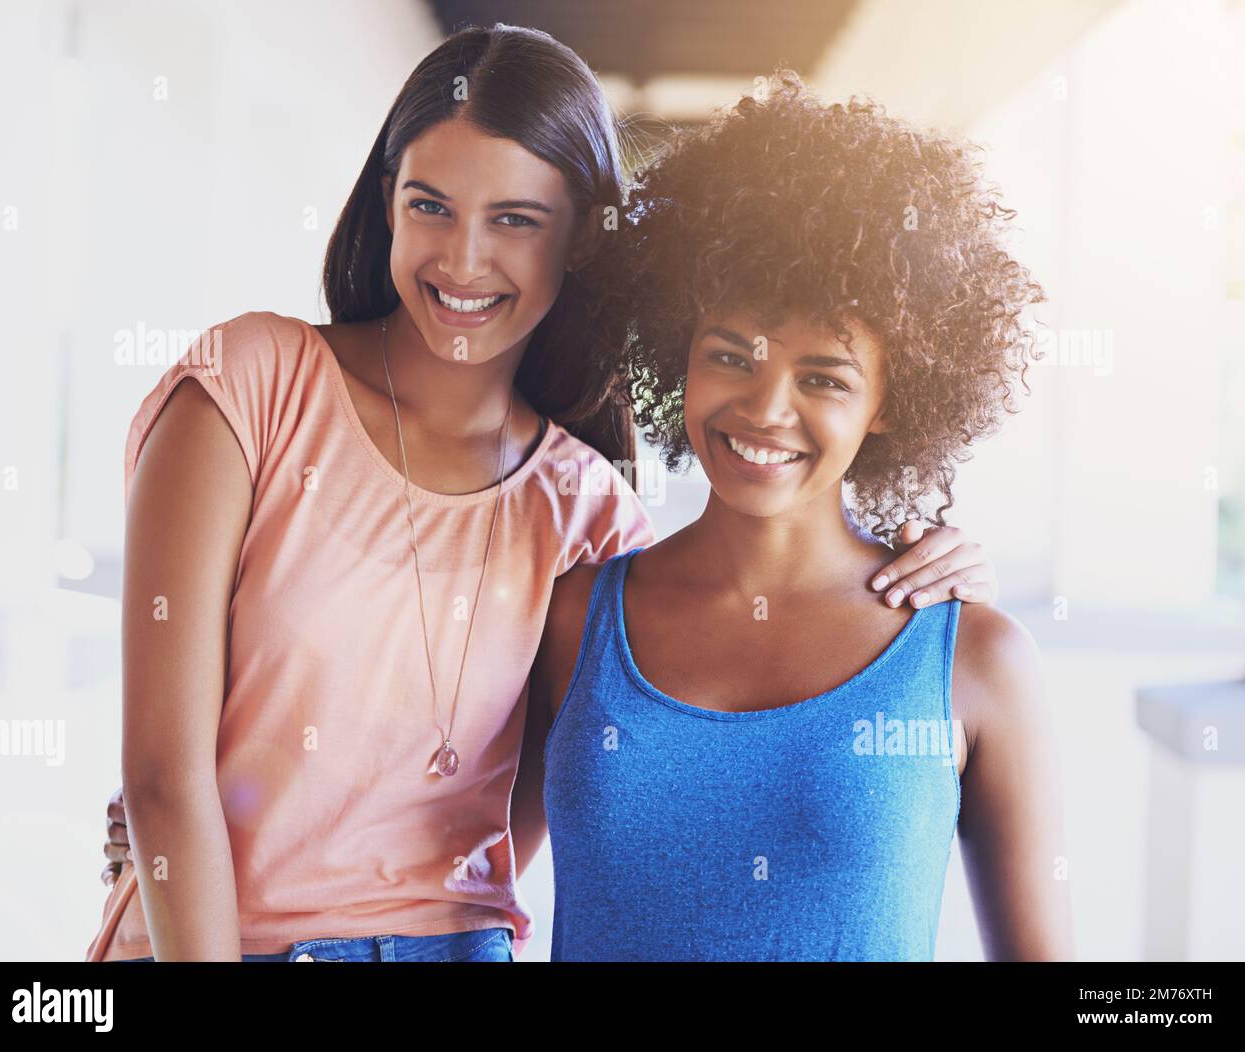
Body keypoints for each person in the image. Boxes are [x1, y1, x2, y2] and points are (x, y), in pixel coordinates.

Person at [91, 31, 1001, 963]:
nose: (464, 260)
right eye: (430, 206)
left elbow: (535, 820)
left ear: (582, 242)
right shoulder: (252, 387)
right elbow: (162, 779)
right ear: (386, 206)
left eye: (516, 220)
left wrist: (926, 567)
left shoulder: (591, 518)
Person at [526, 75, 1073, 961]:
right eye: (731, 355)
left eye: (824, 377)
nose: (765, 409)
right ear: (679, 353)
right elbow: (460, 881)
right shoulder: (572, 618)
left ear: (894, 403)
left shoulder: (974, 657)